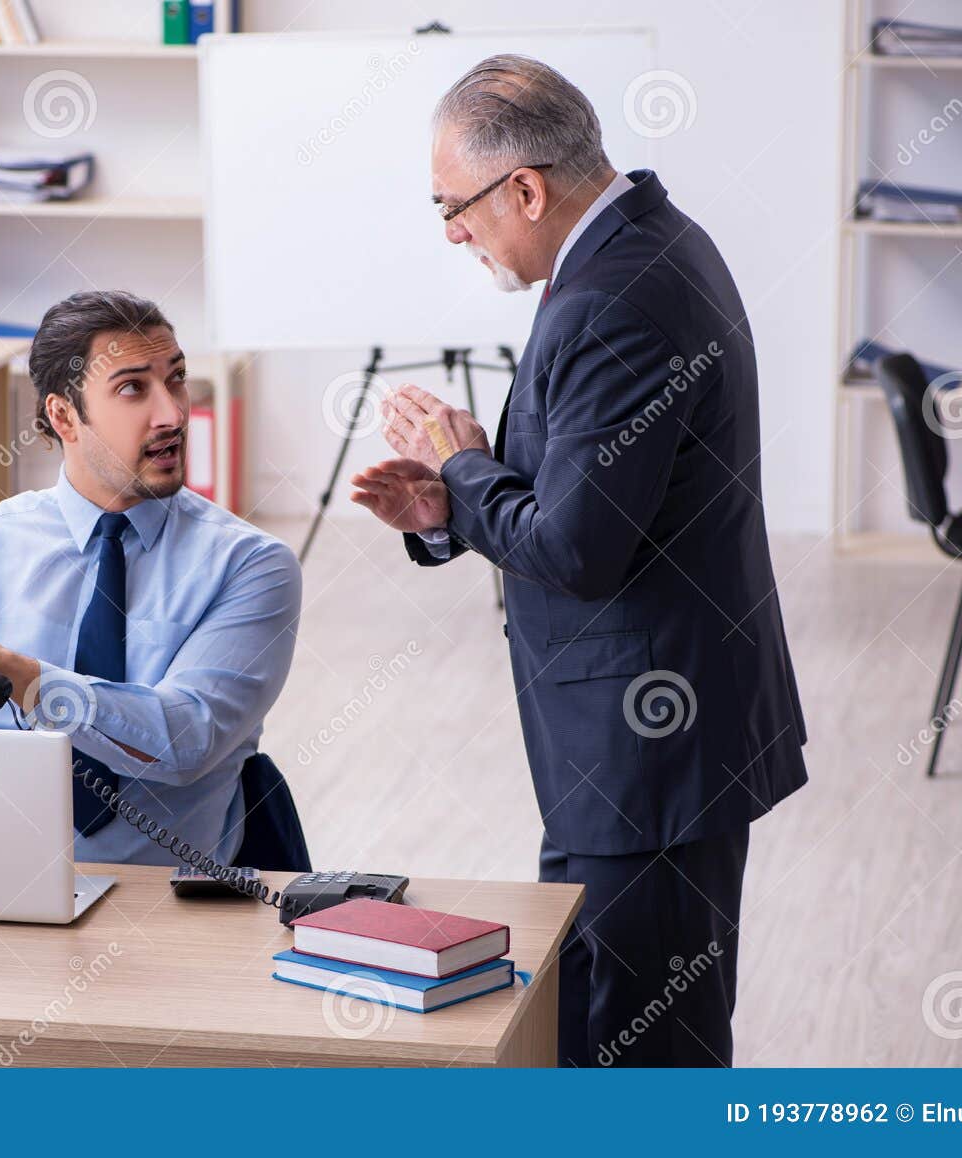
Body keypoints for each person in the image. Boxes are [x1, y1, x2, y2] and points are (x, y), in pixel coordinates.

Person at [350, 55, 807, 1066]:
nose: (451, 234)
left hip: (646, 749)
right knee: (613, 1019)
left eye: (453, 207)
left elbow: (571, 547)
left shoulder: (612, 302)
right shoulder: (646, 245)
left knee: (637, 1045)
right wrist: (449, 503)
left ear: (524, 188)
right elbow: (589, 500)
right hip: (646, 736)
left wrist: (464, 464)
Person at [0, 290, 303, 867]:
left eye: (175, 379)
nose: (173, 413)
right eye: (133, 388)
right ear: (63, 416)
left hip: (170, 904)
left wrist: (16, 672)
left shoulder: (251, 565)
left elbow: (187, 738)